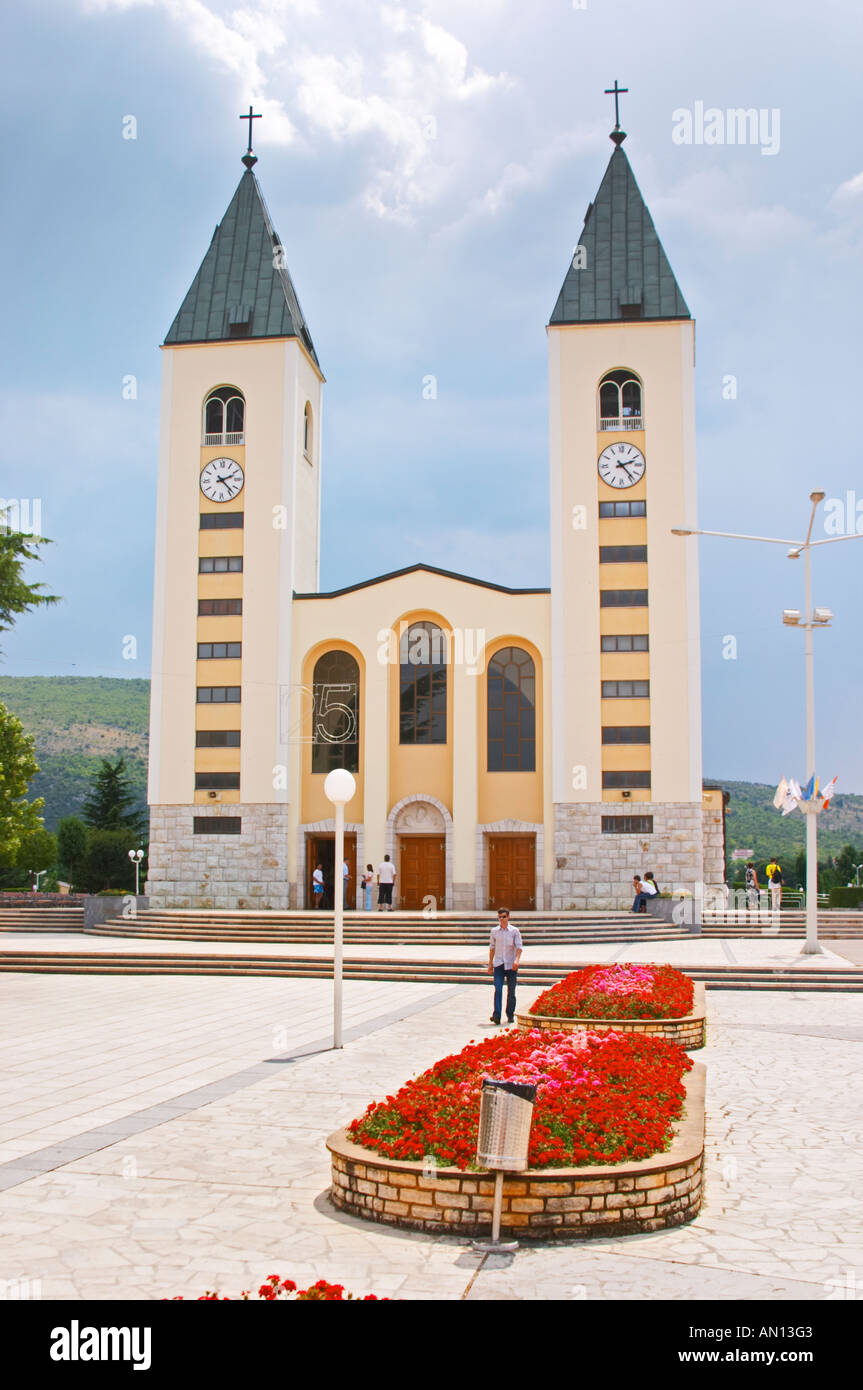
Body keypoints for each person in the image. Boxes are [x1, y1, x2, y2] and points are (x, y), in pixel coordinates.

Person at [487, 908, 523, 1025]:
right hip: (498, 964)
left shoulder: (514, 931)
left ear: (508, 917)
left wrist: (517, 961)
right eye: (500, 917)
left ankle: (510, 1014)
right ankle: (496, 1015)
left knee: (511, 991)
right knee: (498, 989)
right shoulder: (494, 931)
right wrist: (490, 964)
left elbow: (519, 947)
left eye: (503, 917)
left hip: (511, 964)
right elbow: (492, 947)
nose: (501, 919)